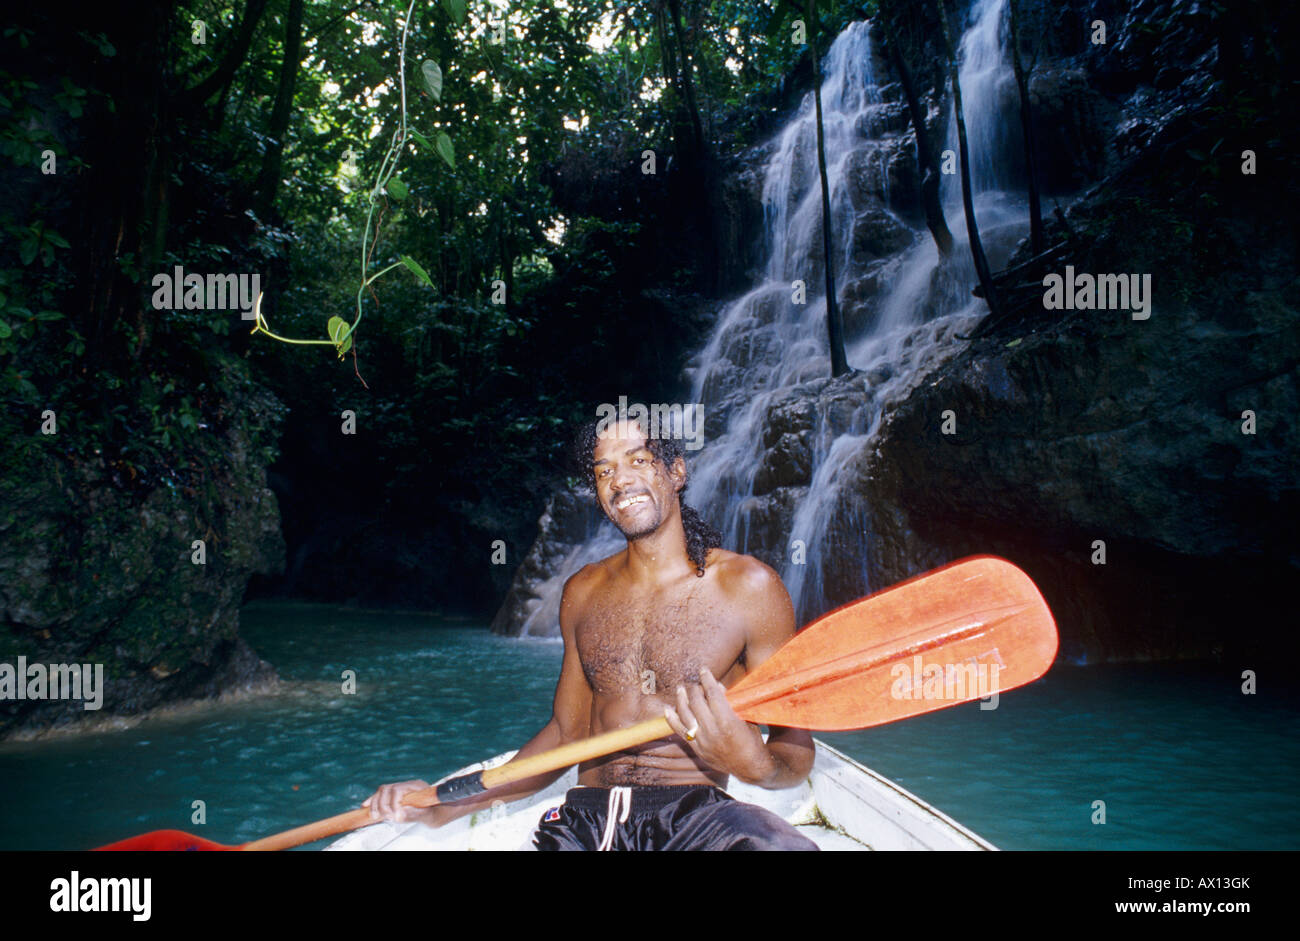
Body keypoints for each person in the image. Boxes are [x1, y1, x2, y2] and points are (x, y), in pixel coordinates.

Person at [364, 414, 818, 850]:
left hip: (694, 816)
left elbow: (795, 754)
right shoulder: (582, 591)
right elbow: (566, 734)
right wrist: (440, 804)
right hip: (585, 820)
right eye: (604, 471)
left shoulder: (749, 588)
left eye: (638, 461)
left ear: (676, 471)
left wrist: (753, 765)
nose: (620, 480)